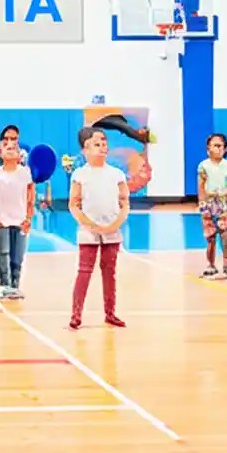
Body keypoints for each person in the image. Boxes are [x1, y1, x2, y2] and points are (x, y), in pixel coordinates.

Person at [68, 127, 129, 330]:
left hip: (112, 230)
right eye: (97, 143)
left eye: (104, 142)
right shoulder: (80, 174)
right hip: (88, 231)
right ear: (86, 148)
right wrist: (89, 225)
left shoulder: (117, 174)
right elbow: (73, 204)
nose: (102, 146)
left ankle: (110, 313)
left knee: (109, 272)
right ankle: (76, 314)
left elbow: (124, 203)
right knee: (84, 271)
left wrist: (115, 224)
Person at [0, 142, 34, 300]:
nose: (10, 149)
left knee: (18, 256)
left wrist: (28, 218)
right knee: (3, 253)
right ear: (0, 153)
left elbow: (30, 197)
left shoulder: (26, 173)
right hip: (2, 220)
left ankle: (15, 285)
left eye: (14, 148)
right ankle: (4, 285)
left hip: (20, 219)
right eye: (6, 147)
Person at [197, 133, 227, 279]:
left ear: (225, 149)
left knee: (225, 236)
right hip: (208, 202)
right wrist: (202, 205)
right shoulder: (203, 166)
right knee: (210, 236)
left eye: (220, 146)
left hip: (222, 203)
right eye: (214, 145)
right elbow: (200, 186)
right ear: (208, 148)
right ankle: (211, 264)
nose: (217, 149)